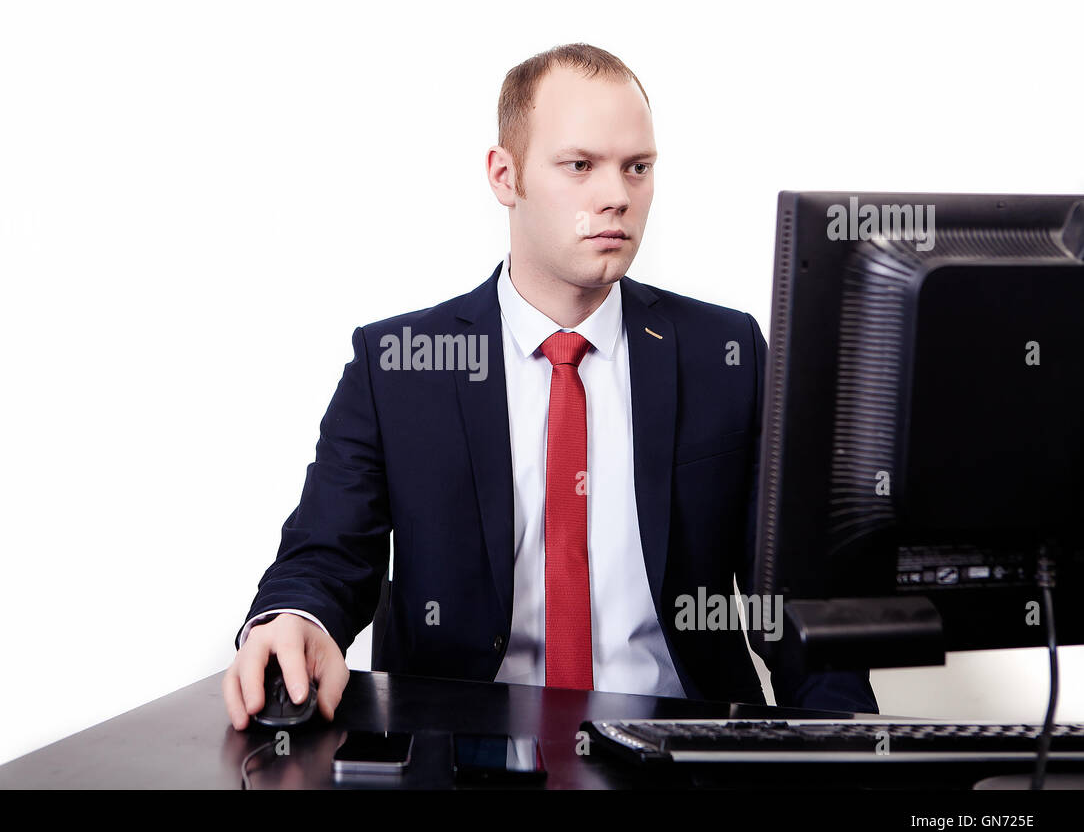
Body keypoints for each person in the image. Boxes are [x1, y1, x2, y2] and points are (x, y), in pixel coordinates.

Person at [224, 43, 877, 730]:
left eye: (637, 168)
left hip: (682, 749)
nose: (617, 195)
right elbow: (325, 554)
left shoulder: (726, 354)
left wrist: (855, 746)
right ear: (505, 177)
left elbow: (800, 600)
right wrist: (294, 618)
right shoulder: (398, 364)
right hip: (464, 751)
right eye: (579, 165)